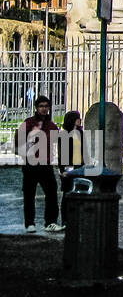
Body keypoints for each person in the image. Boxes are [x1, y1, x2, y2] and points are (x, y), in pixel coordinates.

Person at [17, 95, 60, 233]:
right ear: (36, 108)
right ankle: (30, 223)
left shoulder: (52, 125)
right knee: (29, 194)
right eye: (41, 106)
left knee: (52, 192)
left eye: (46, 106)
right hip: (31, 164)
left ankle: (51, 222)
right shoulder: (29, 123)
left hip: (46, 164)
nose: (44, 109)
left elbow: (56, 142)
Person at [57, 111, 84, 193]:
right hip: (68, 166)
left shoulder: (81, 134)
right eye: (77, 118)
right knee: (68, 191)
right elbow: (62, 154)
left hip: (80, 165)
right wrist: (63, 170)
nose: (80, 119)